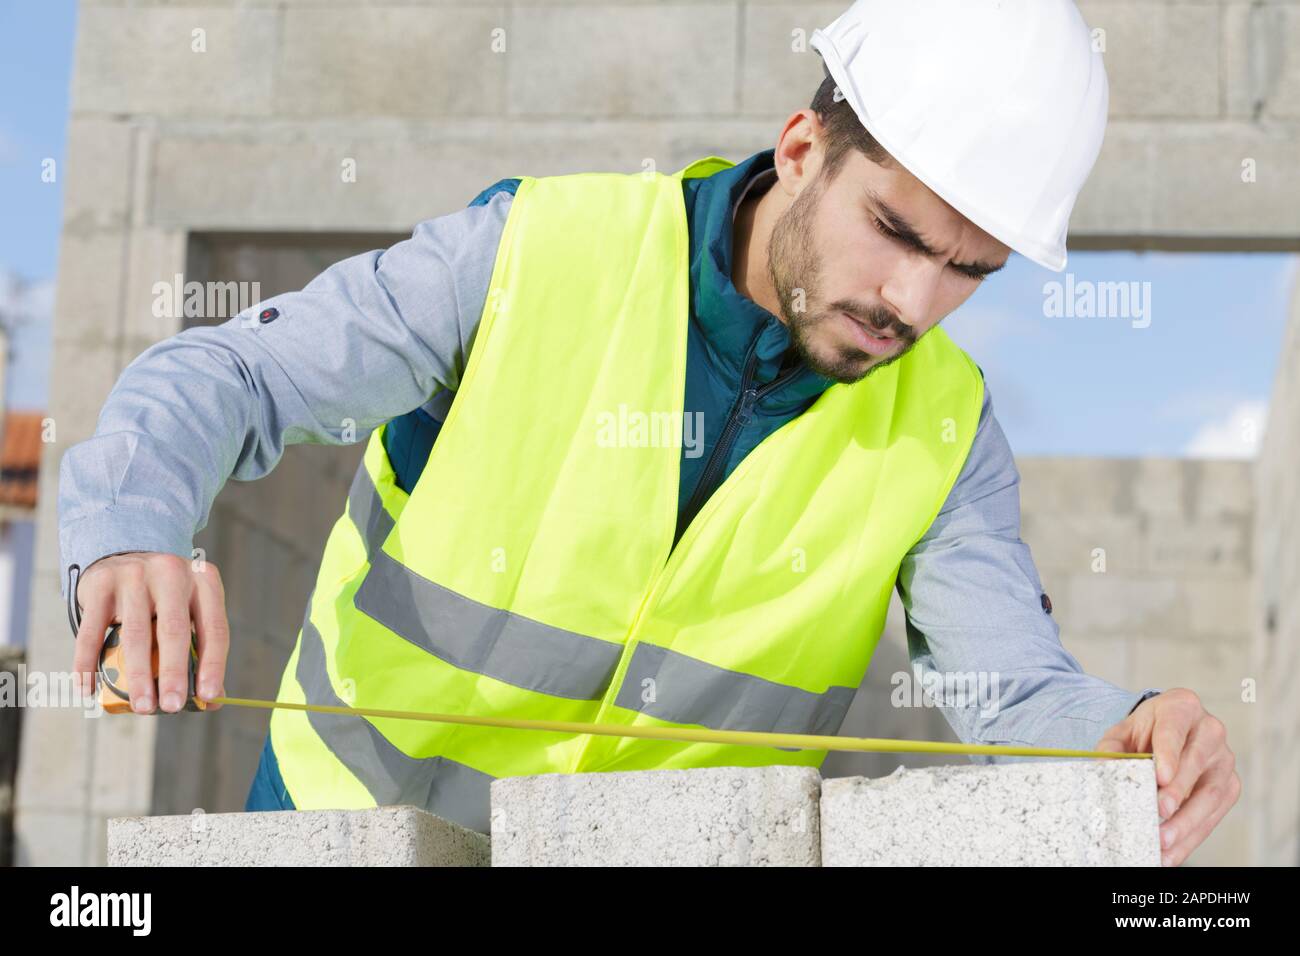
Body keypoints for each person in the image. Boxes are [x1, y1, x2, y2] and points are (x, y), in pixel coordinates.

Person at [61, 0, 1239, 865]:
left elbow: (1014, 689)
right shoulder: (529, 254)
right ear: (798, 149)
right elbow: (233, 370)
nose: (914, 302)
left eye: (968, 271)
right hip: (345, 835)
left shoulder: (943, 429)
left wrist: (1122, 732)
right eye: (895, 231)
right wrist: (131, 522)